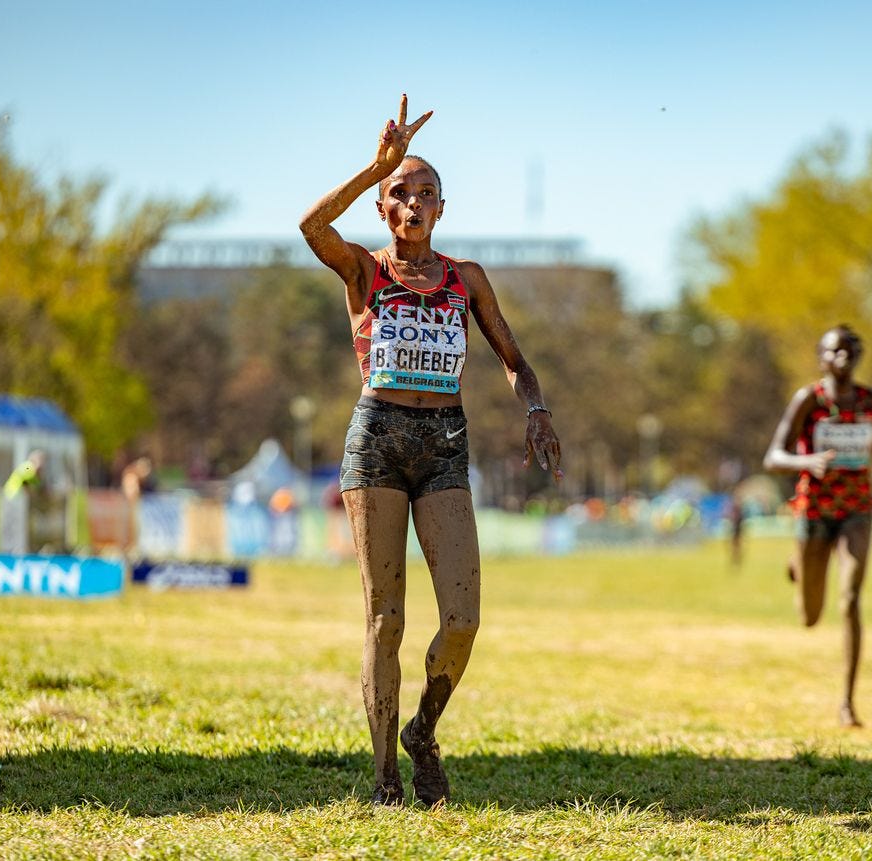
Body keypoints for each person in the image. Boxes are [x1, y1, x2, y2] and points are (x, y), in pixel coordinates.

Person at [299, 95, 561, 806]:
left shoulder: (464, 278)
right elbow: (310, 225)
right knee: (385, 618)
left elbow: (516, 359)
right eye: (398, 194)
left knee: (464, 618)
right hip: (378, 439)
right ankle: (386, 772)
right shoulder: (364, 271)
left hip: (444, 443)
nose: (411, 203)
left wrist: (534, 406)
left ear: (442, 208)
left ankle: (424, 728)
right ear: (384, 211)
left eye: (423, 193)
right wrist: (374, 165)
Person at [762, 325, 872, 727]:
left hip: (856, 510)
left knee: (850, 599)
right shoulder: (808, 400)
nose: (843, 358)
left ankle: (847, 702)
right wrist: (806, 462)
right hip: (814, 509)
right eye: (835, 352)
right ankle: (799, 567)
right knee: (810, 616)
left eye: (850, 351)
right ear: (822, 358)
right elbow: (773, 456)